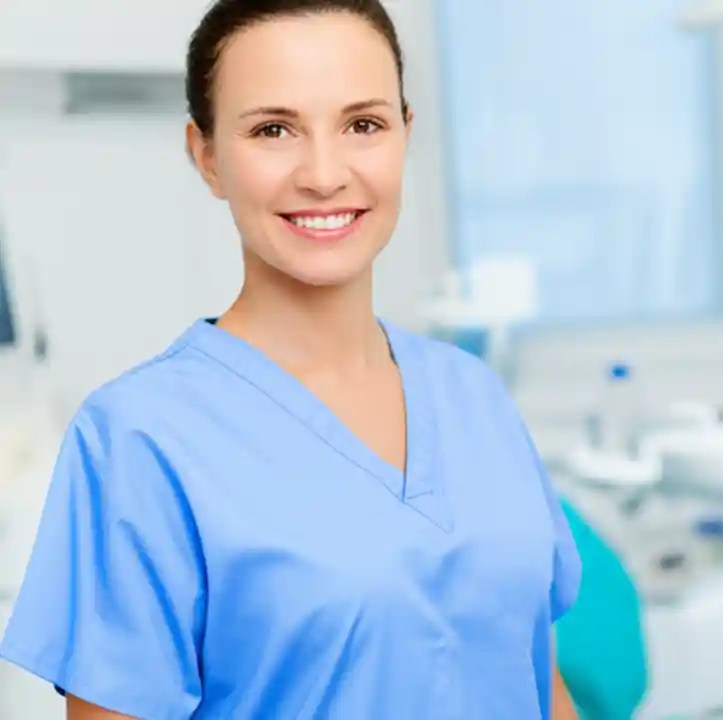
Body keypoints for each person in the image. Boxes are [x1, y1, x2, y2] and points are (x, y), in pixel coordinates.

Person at [0, 1, 582, 718]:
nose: (324, 173)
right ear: (206, 156)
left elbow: (537, 683)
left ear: (406, 133)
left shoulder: (475, 395)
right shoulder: (138, 440)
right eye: (273, 130)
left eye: (363, 124)